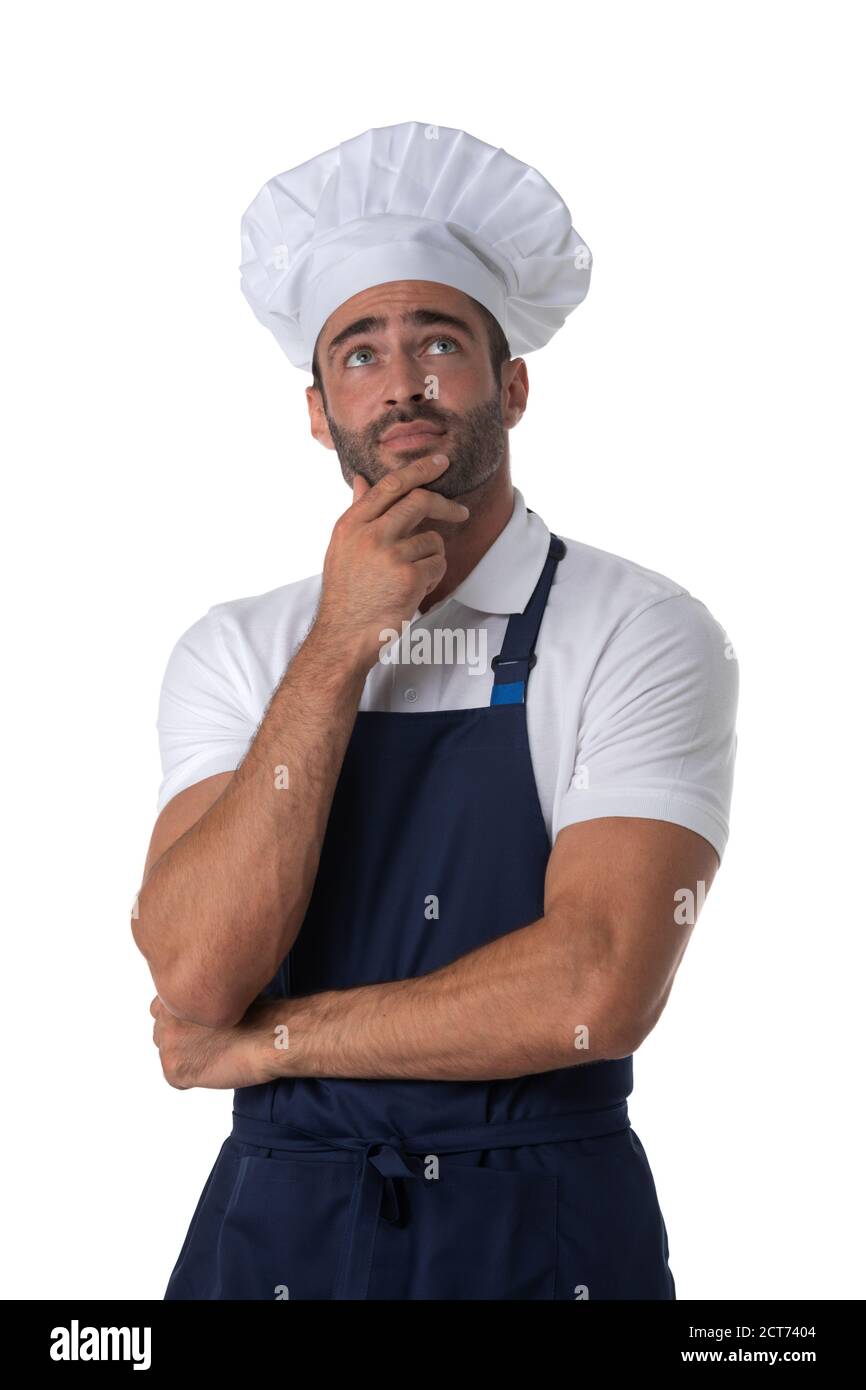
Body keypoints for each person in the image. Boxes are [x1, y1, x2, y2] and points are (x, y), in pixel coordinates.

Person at [134, 121, 738, 1301]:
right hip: (274, 1236)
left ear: (509, 386)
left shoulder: (636, 628)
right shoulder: (242, 649)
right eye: (357, 353)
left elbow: (595, 984)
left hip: (541, 1236)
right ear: (317, 412)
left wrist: (273, 1044)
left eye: (437, 344)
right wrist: (341, 646)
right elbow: (196, 976)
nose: (400, 382)